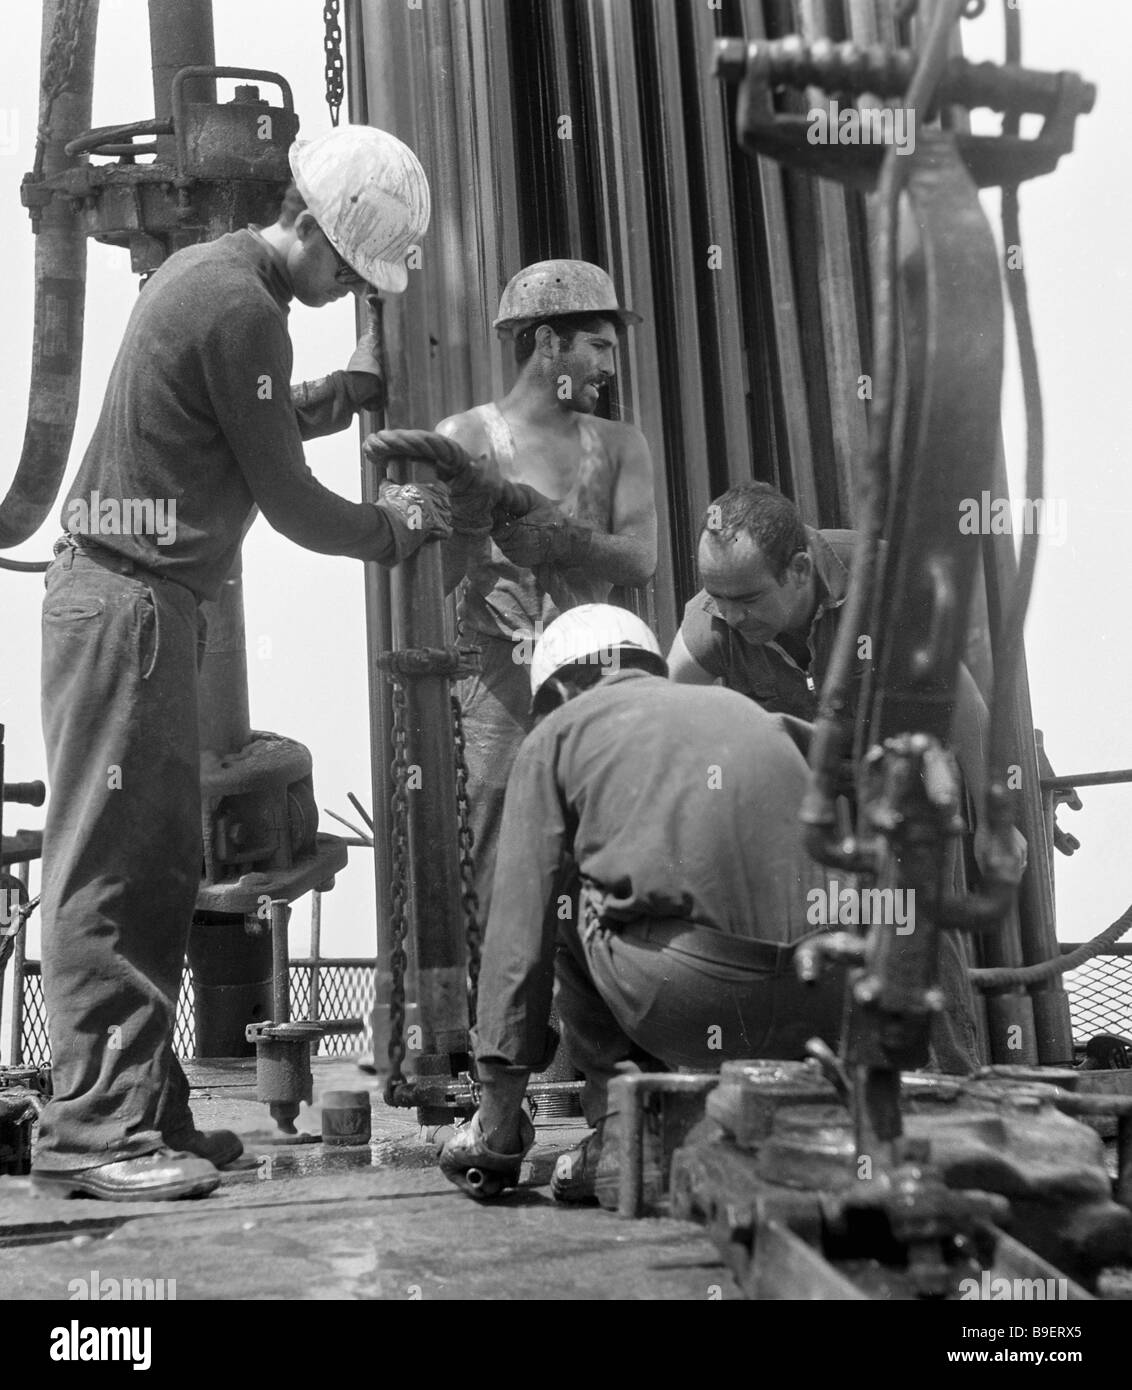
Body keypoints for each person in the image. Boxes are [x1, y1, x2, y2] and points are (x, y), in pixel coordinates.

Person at [33, 125, 455, 1202]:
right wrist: (394, 525)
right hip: (129, 601)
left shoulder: (213, 281)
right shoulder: (243, 304)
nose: (342, 288)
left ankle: (147, 1110)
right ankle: (91, 1134)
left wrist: (338, 397)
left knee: (159, 867)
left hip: (140, 604)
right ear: (309, 226)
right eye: (346, 269)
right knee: (114, 869)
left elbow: (232, 424)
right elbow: (293, 504)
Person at [438, 604, 846, 1205]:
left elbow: (515, 942)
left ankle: (623, 1131)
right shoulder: (748, 711)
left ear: (561, 689)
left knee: (565, 898)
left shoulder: (557, 734)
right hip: (828, 998)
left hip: (696, 996)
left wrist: (496, 1120)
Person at [667, 480, 1022, 1072]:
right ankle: (814, 1078)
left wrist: (995, 822)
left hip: (897, 766)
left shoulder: (883, 583)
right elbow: (665, 713)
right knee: (796, 915)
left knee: (916, 911)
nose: (728, 614)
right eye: (715, 597)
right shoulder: (713, 620)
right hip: (803, 772)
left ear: (801, 569)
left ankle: (951, 1080)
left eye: (748, 598)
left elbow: (965, 710)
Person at [435, 260, 657, 931]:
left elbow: (642, 559)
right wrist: (473, 517)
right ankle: (498, 1029)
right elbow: (431, 571)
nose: (608, 369)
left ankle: (591, 1020)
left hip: (593, 683)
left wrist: (563, 539)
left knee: (604, 853)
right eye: (598, 348)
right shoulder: (467, 439)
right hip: (493, 692)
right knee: (495, 865)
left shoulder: (620, 446)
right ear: (545, 343)